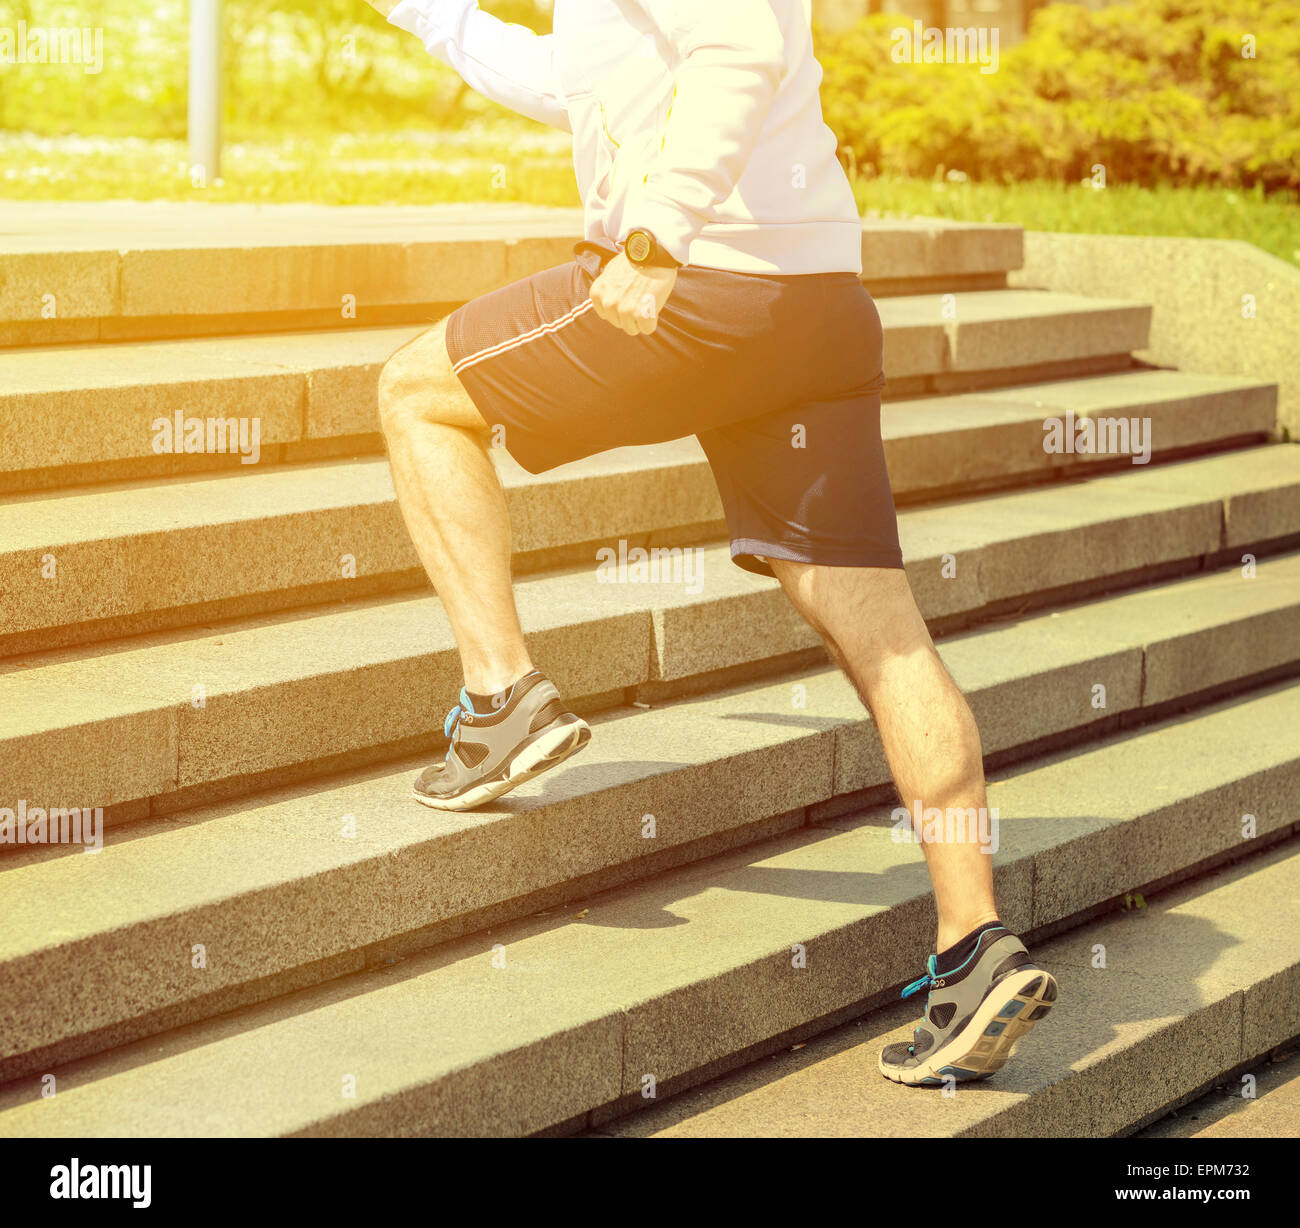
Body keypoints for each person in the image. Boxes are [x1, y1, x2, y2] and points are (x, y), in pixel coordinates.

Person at [363, 0, 1057, 1086]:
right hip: (814, 307)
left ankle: (501, 698)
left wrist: (656, 236)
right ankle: (974, 945)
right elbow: (574, 77)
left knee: (414, 392)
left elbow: (740, 44)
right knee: (883, 634)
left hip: (703, 284)